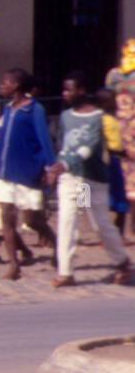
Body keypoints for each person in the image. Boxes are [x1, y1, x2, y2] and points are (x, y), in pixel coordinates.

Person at [47, 72, 132, 286]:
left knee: (99, 223)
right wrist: (59, 166)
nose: (65, 94)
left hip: (90, 182)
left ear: (82, 91)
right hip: (70, 180)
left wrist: (63, 165)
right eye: (64, 90)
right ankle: (65, 272)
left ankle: (121, 261)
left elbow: (88, 148)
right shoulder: (66, 117)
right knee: (67, 221)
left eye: (70, 89)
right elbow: (64, 146)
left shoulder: (97, 118)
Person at [0, 68, 56, 279]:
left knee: (33, 219)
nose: (2, 86)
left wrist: (50, 167)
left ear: (16, 85)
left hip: (27, 171)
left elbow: (44, 139)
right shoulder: (8, 109)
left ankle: (57, 246)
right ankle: (14, 265)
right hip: (3, 171)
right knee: (6, 219)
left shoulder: (34, 110)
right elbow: (5, 132)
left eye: (5, 82)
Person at [105, 39, 135, 243]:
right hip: (118, 138)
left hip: (130, 137)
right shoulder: (114, 75)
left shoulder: (115, 77)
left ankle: (128, 229)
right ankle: (116, 228)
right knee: (117, 185)